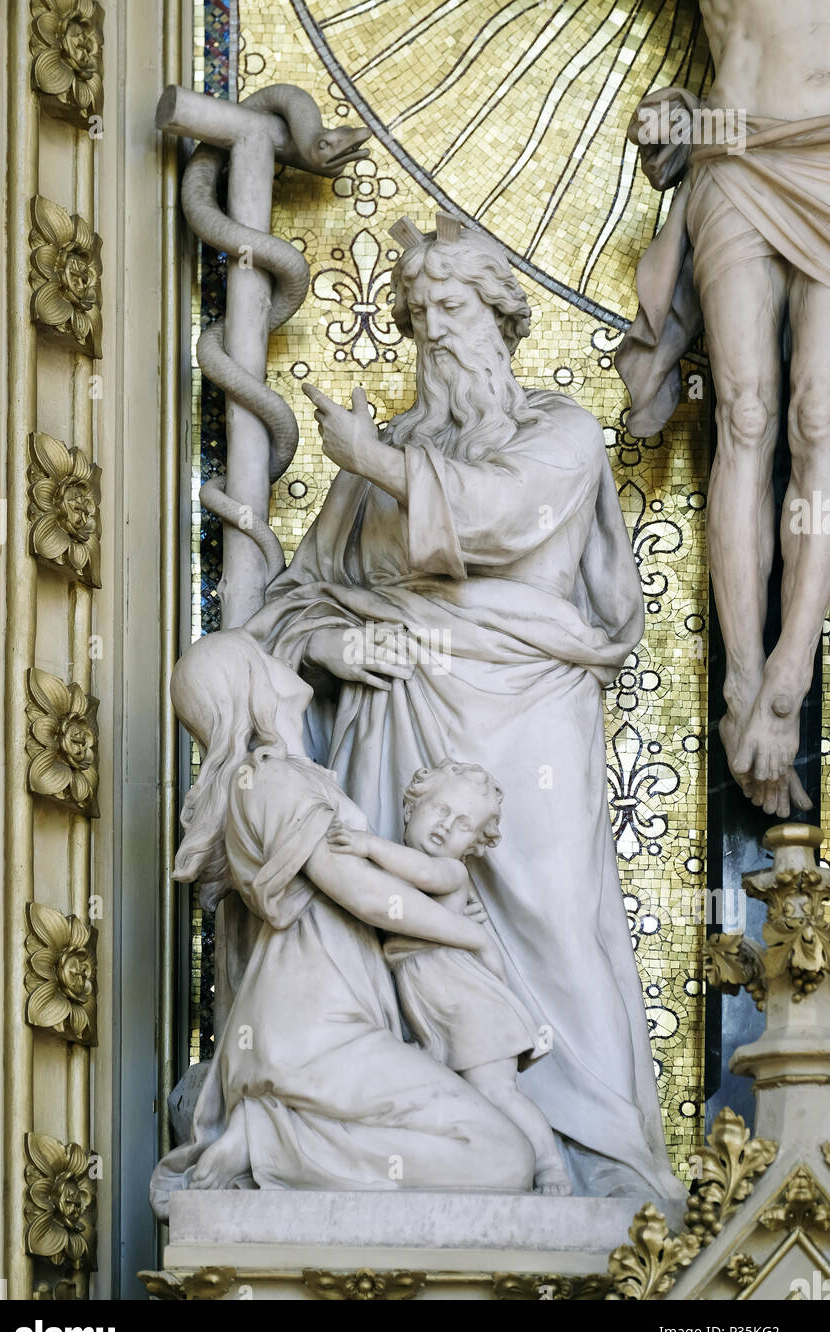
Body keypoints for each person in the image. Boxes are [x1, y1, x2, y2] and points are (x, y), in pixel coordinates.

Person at [246, 215, 682, 1203]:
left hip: (528, 725)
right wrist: (336, 642)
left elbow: (496, 516)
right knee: (396, 931)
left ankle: (598, 1162)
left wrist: (373, 460)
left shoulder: (555, 432)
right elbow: (300, 603)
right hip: (394, 727)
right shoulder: (385, 452)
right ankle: (428, 1149)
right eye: (417, 312)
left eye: (454, 306)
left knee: (556, 923)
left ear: (499, 312)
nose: (435, 329)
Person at [150, 630, 535, 1219]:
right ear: (249, 690)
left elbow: (375, 896)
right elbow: (365, 897)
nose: (278, 658)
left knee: (496, 1150)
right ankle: (269, 1141)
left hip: (332, 1021)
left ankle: (272, 1139)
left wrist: (442, 908)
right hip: (314, 1030)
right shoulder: (269, 779)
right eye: (261, 657)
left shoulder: (296, 776)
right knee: (503, 1159)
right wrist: (471, 935)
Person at [617, 0, 830, 817]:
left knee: (818, 423)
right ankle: (741, 675)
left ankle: (790, 676)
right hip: (735, 148)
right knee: (743, 416)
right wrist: (673, 109)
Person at [327, 758, 572, 1195]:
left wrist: (369, 845)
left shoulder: (449, 872)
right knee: (462, 1099)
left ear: (473, 845)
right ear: (410, 808)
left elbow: (422, 873)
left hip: (469, 1007)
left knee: (497, 1092)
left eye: (462, 825)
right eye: (440, 811)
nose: (444, 828)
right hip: (436, 1012)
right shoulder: (397, 875)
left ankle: (549, 1165)